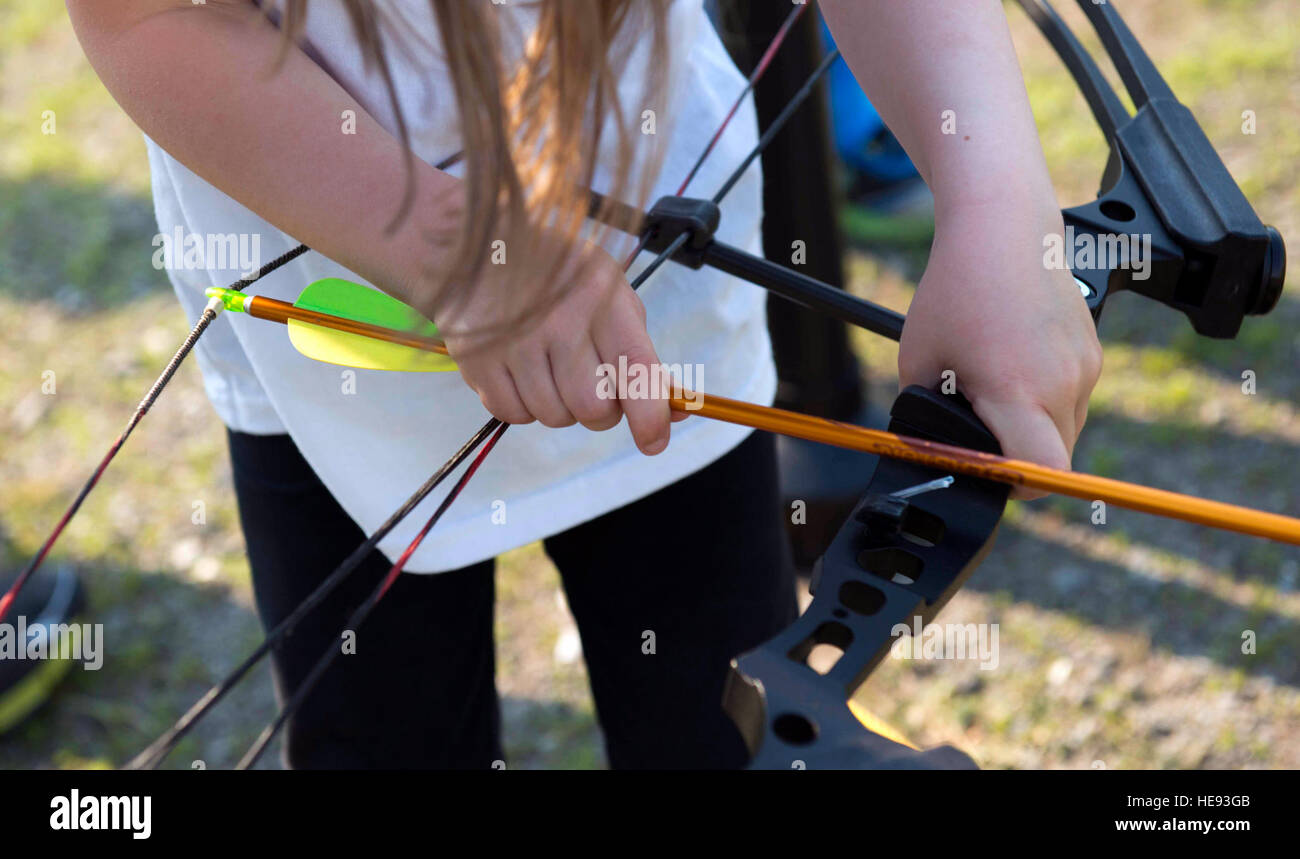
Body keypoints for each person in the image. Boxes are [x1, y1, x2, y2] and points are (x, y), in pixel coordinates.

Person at [67, 0, 1101, 769]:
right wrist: (449, 250)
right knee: (383, 737)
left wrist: (999, 209)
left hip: (657, 289)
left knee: (725, 726)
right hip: (329, 318)